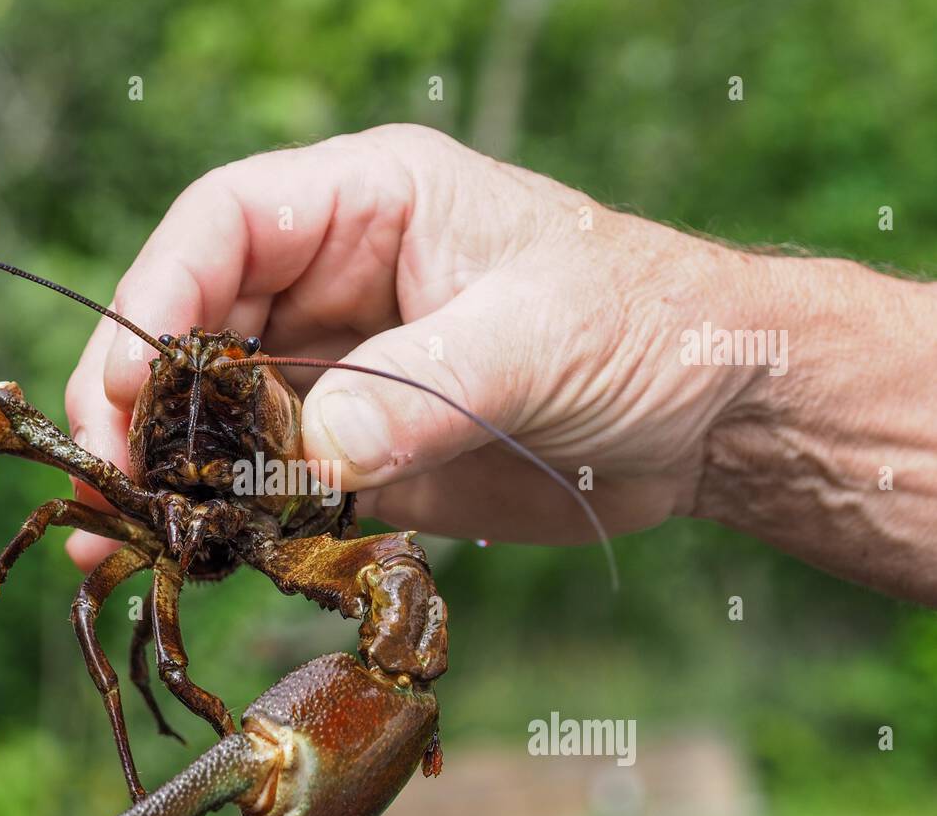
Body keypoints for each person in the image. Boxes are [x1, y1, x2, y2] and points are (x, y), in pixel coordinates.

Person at [64, 124, 936, 606]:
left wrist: (722, 403)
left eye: (238, 362)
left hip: (301, 520)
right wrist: (713, 439)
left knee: (403, 594)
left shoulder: (316, 450)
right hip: (187, 534)